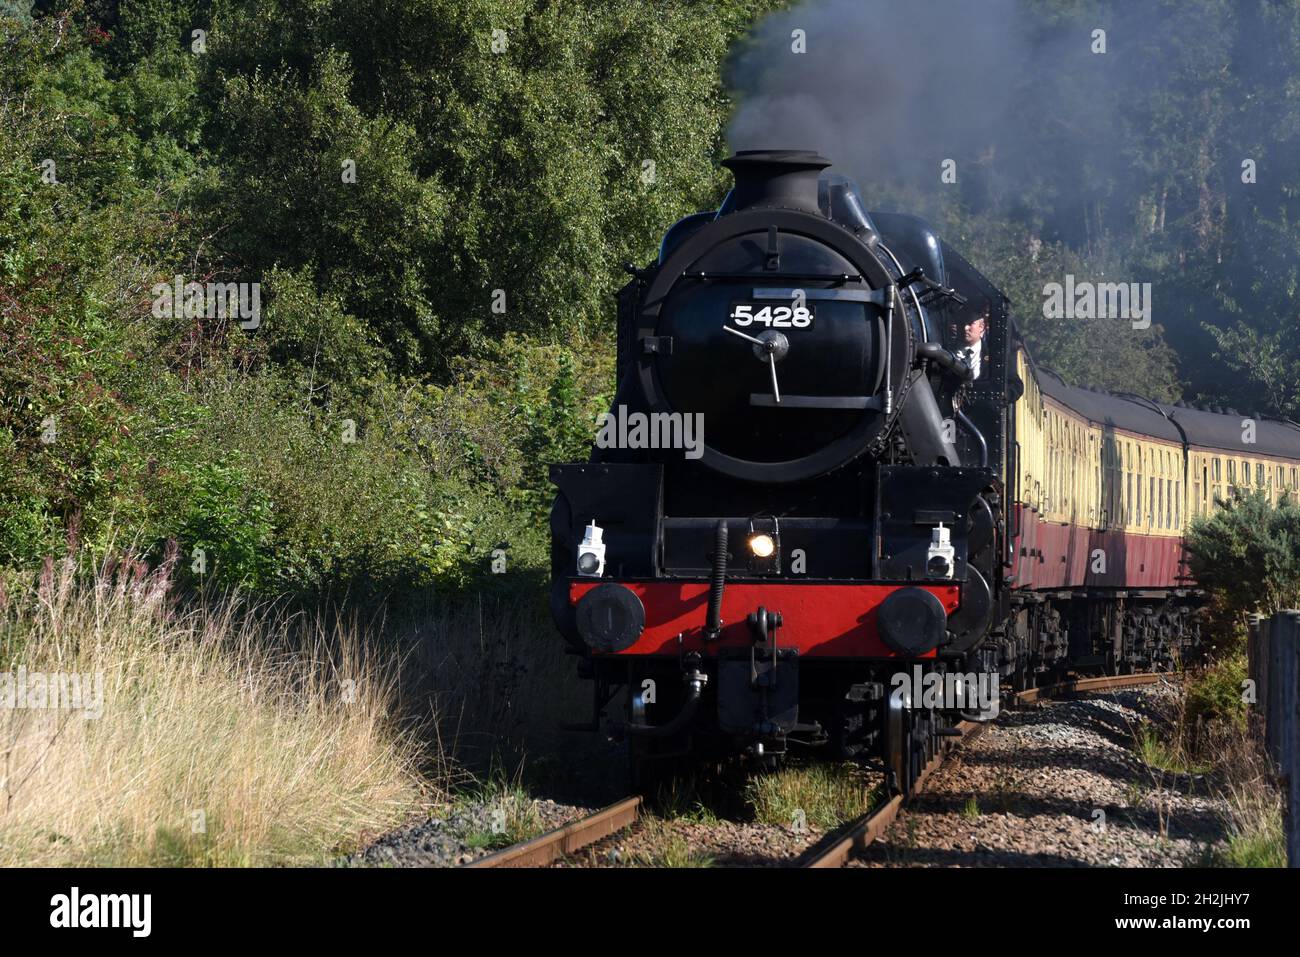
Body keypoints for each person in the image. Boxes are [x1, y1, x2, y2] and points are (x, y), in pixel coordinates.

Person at [956, 306, 987, 381]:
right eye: (963, 323)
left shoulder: (991, 356)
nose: (965, 328)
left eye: (970, 323)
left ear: (981, 327)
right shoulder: (950, 348)